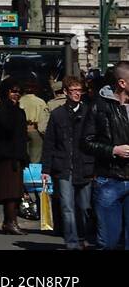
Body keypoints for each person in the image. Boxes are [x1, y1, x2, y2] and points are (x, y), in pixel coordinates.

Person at [42, 75, 94, 250]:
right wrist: (46, 169)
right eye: (73, 91)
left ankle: (82, 237)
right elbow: (49, 142)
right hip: (63, 166)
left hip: (85, 165)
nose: (77, 94)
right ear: (65, 92)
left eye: (79, 90)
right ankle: (72, 242)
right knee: (67, 207)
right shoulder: (57, 114)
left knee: (85, 207)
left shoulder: (88, 112)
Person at [82, 60, 129, 250]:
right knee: (108, 242)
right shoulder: (99, 106)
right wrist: (113, 150)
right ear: (122, 83)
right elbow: (85, 142)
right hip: (110, 180)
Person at [0, 78, 29, 235]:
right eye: (13, 91)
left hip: (16, 155)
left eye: (18, 92)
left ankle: (10, 221)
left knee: (15, 192)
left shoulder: (18, 110)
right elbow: (7, 127)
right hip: (6, 155)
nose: (16, 95)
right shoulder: (2, 108)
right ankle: (10, 222)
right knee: (10, 192)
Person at [19, 78, 50, 166]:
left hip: (22, 131)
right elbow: (43, 120)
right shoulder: (41, 102)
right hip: (35, 130)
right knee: (35, 159)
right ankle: (33, 177)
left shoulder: (20, 101)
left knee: (24, 156)